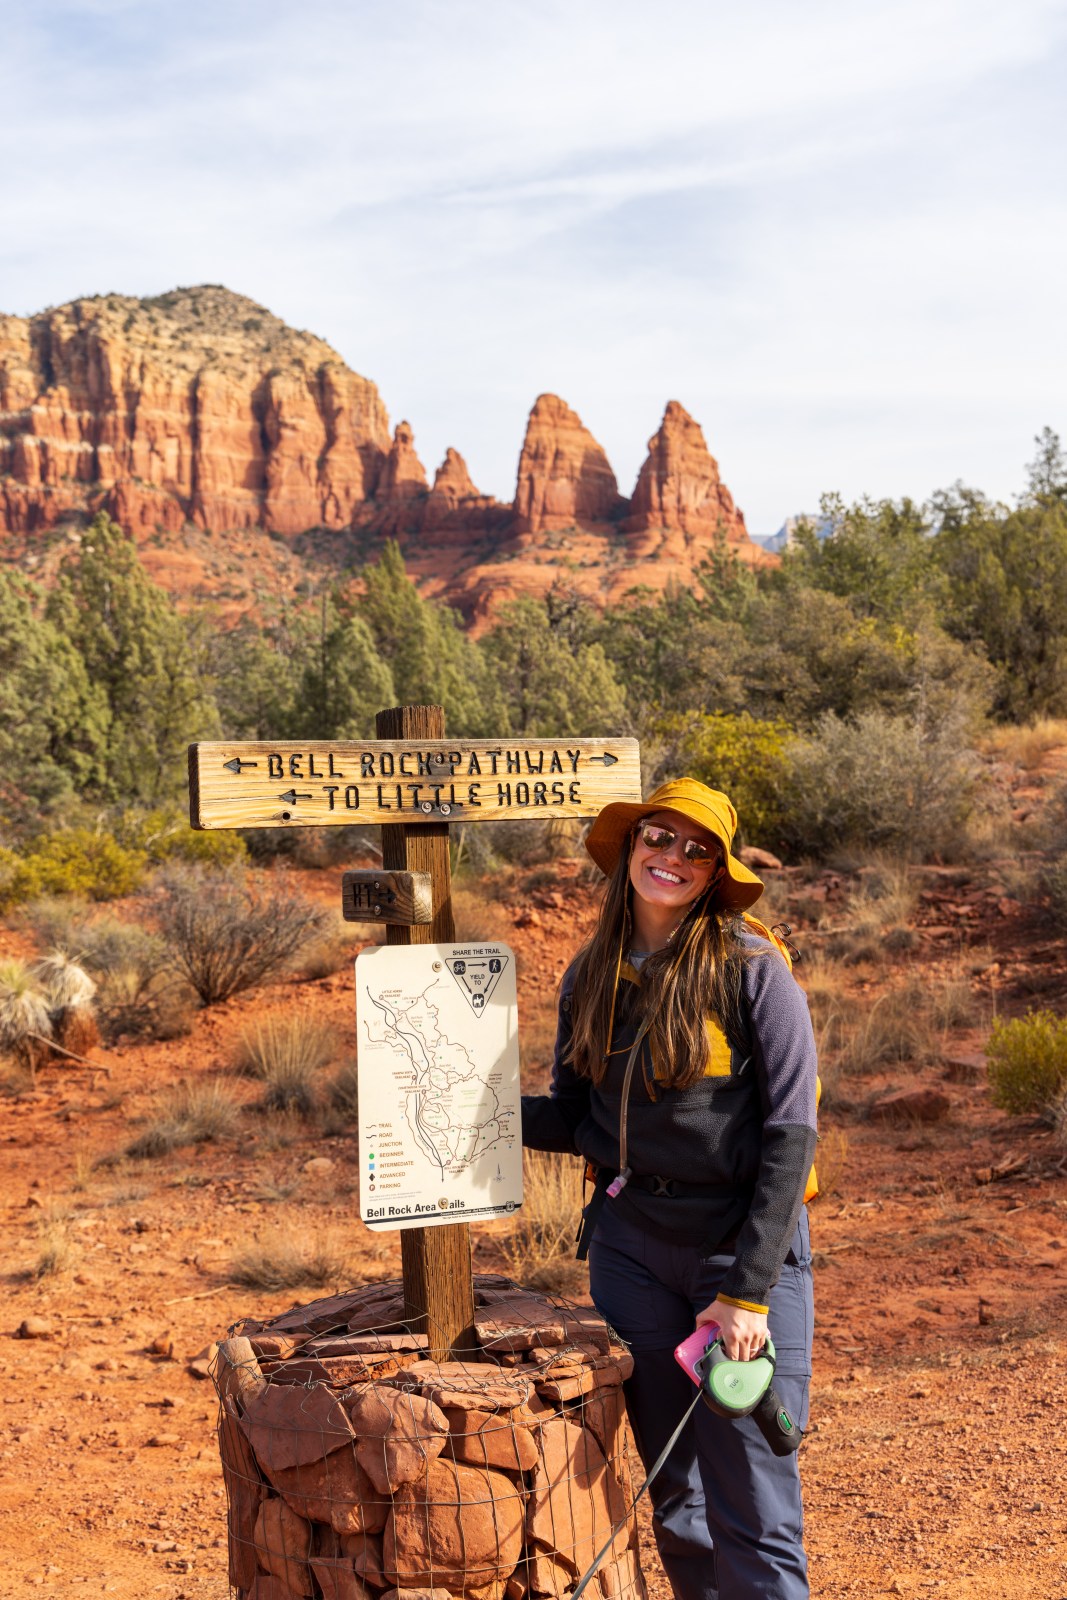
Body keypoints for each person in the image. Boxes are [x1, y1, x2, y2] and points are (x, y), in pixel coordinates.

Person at [521, 779, 818, 1600]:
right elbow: (574, 1120)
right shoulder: (591, 975)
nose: (673, 858)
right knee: (676, 1498)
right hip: (631, 1255)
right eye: (658, 837)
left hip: (737, 1257)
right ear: (628, 848)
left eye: (697, 849)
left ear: (716, 871)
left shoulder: (753, 968)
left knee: (753, 1506)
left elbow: (792, 1138)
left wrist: (747, 1295)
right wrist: (458, 1109)